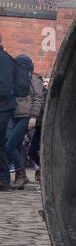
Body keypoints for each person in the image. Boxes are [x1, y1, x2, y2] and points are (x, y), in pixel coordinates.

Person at [4, 54, 42, 189]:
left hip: (26, 116)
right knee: (17, 147)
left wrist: (34, 117)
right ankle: (21, 177)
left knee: (9, 146)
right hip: (15, 114)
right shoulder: (16, 77)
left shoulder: (33, 78)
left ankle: (22, 176)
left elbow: (38, 98)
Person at [0, 34, 17, 191]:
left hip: (3, 107)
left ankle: (4, 179)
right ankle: (3, 179)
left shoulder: (4, 59)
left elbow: (4, 88)